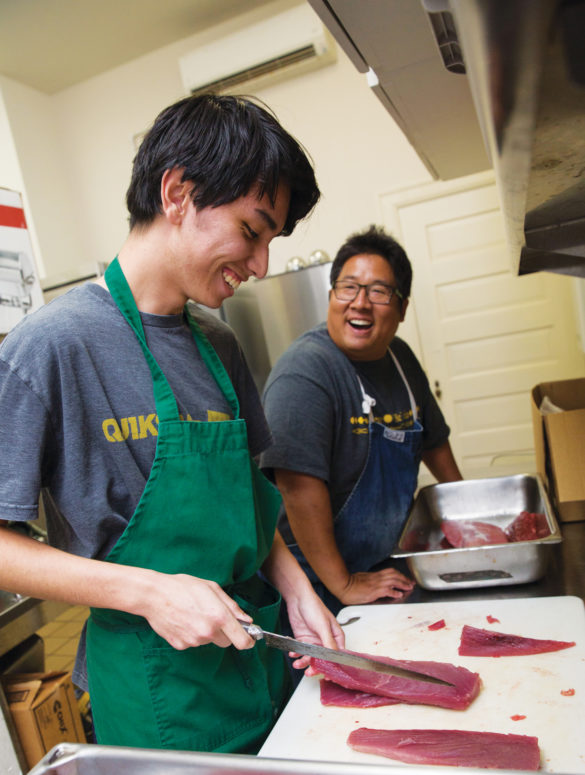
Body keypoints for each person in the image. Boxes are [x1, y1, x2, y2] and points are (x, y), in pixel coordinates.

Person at [0, 94, 344, 754]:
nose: (261, 265)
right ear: (178, 191)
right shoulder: (51, 347)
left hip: (259, 665)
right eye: (252, 229)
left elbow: (247, 501)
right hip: (154, 692)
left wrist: (297, 589)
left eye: (271, 241)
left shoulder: (220, 346)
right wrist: (150, 591)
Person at [260, 225, 463, 616]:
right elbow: (297, 489)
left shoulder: (400, 359)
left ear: (403, 308)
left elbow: (434, 444)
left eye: (379, 291)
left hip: (380, 563)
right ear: (332, 296)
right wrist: (345, 583)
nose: (360, 303)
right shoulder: (305, 372)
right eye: (348, 287)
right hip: (314, 584)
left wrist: (466, 518)